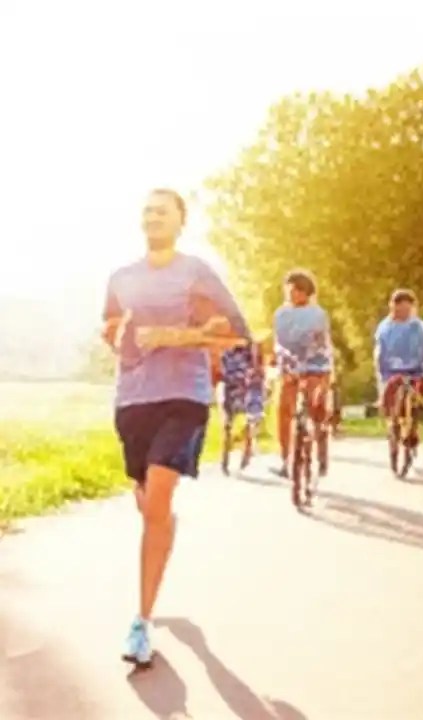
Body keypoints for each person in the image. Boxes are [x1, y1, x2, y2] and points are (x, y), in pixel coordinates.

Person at [101, 188, 249, 668]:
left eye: (162, 210)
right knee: (149, 506)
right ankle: (162, 524)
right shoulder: (121, 278)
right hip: (133, 399)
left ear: (180, 222)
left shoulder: (196, 274)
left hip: (185, 395)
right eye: (146, 210)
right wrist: (120, 338)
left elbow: (233, 333)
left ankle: (140, 623)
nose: (153, 216)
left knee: (158, 498)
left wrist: (174, 336)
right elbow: (111, 331)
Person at [272, 270, 335, 478]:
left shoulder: (317, 314)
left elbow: (319, 341)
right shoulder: (280, 314)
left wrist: (316, 367)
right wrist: (286, 365)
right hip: (289, 366)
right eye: (290, 289)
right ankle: (285, 459)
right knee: (283, 409)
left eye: (298, 289)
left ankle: (322, 449)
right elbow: (279, 343)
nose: (293, 293)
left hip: (315, 365)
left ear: (307, 293)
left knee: (316, 406)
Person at [374, 289, 423, 452]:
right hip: (392, 371)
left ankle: (413, 427)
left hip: (416, 369)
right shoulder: (385, 327)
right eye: (399, 307)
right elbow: (380, 351)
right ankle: (392, 421)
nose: (403, 311)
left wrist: (420, 365)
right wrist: (383, 368)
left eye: (407, 308)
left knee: (419, 394)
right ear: (392, 307)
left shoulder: (419, 327)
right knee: (389, 393)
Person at [216, 335, 268, 472]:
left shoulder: (251, 345)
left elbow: (259, 368)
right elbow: (217, 367)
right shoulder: (223, 344)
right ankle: (225, 457)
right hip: (229, 384)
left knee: (250, 419)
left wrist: (256, 373)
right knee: (227, 423)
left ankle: (247, 448)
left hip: (248, 385)